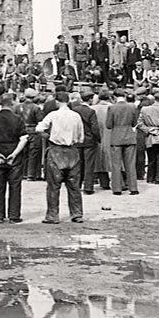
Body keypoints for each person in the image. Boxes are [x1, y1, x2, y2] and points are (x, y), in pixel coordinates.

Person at [35, 91, 85, 224]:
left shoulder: (53, 115)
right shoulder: (76, 116)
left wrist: (48, 136)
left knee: (53, 186)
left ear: (57, 102)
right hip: (73, 151)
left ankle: (53, 215)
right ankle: (77, 213)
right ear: (68, 101)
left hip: (56, 150)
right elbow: (81, 137)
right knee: (74, 185)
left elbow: (39, 128)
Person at [0, 94, 29, 223]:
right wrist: (14, 153)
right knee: (15, 185)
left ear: (0, 105)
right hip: (14, 155)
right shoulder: (18, 119)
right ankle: (14, 215)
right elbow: (24, 138)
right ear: (12, 105)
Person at [105, 89, 139, 195]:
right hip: (129, 136)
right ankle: (133, 188)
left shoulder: (112, 107)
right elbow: (134, 123)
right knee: (131, 164)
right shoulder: (132, 107)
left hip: (116, 137)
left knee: (116, 164)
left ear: (114, 97)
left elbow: (109, 125)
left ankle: (117, 188)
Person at [69, 91, 100, 194]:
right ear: (90, 100)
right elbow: (94, 128)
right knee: (89, 164)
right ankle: (88, 187)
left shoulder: (73, 110)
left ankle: (76, 185)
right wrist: (98, 138)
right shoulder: (90, 112)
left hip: (77, 140)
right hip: (89, 141)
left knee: (77, 165)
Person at [88, 90, 113, 191]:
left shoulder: (92, 108)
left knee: (99, 159)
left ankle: (104, 182)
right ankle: (119, 182)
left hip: (97, 136)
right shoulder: (112, 107)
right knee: (114, 159)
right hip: (111, 135)